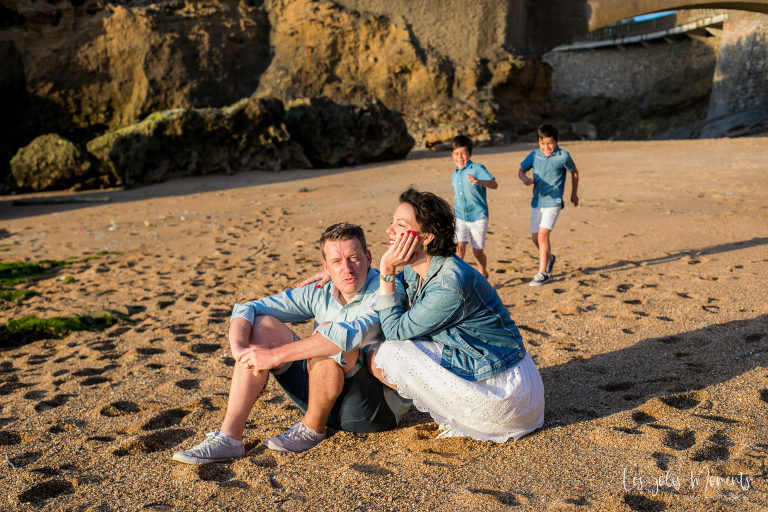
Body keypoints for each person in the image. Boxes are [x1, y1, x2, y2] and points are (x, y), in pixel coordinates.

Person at [173, 223, 409, 463]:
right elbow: (248, 308)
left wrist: (275, 357)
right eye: (337, 261)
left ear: (368, 257)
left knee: (327, 336)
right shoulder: (322, 289)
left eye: (353, 258)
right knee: (263, 326)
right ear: (325, 266)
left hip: (371, 413)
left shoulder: (388, 286)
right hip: (324, 396)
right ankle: (229, 438)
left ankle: (312, 428)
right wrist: (240, 350)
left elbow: (349, 335)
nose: (347, 269)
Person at [370, 188, 545, 442]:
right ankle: (462, 415)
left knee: (388, 354)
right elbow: (396, 289)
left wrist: (386, 268)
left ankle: (466, 420)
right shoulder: (419, 266)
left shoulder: (450, 283)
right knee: (391, 346)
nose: (389, 230)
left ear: (426, 237)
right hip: (488, 370)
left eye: (399, 225)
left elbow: (394, 330)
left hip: (508, 397)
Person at [518, 123, 579, 286]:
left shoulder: (563, 156)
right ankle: (550, 258)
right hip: (537, 201)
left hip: (554, 201)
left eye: (550, 143)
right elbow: (521, 170)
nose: (547, 147)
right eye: (543, 143)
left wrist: (573, 194)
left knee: (543, 235)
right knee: (534, 237)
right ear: (538, 142)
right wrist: (525, 179)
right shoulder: (534, 155)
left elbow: (574, 172)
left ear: (557, 141)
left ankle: (543, 273)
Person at [450, 135, 498, 279]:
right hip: (460, 216)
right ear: (452, 155)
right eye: (456, 153)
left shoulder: (477, 168)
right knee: (459, 249)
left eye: (464, 153)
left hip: (478, 215)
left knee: (477, 251)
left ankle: (483, 271)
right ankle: (458, 278)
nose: (460, 157)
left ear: (470, 154)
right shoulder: (454, 174)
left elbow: (494, 184)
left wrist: (480, 181)